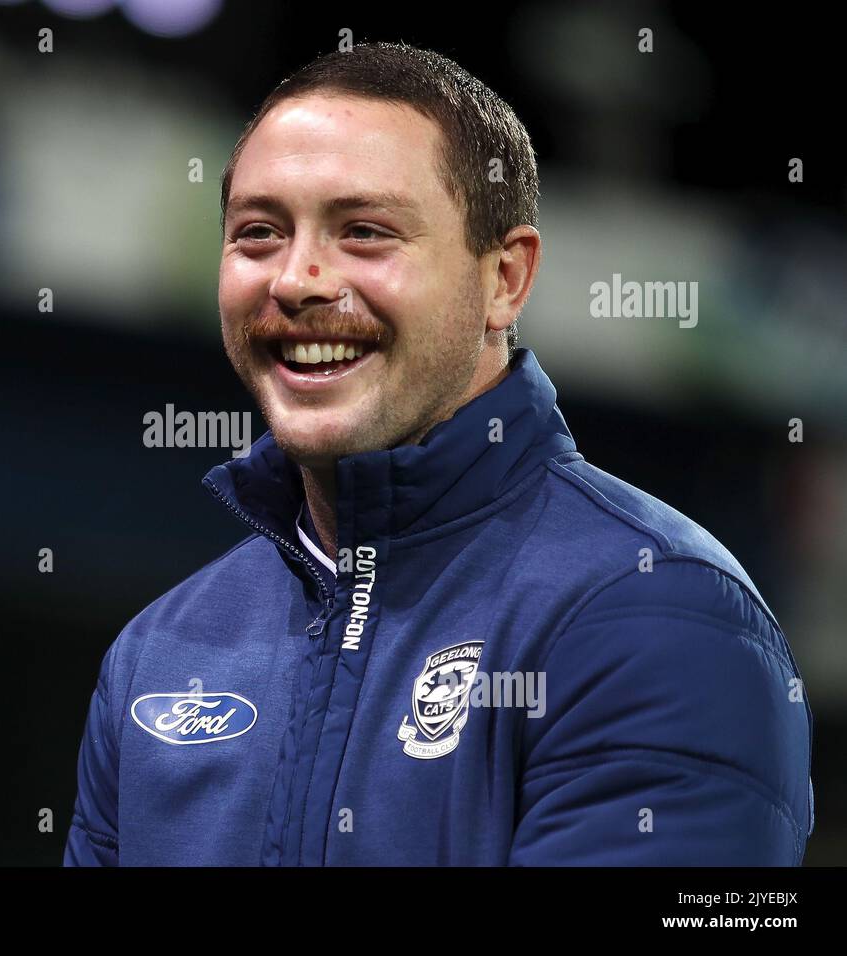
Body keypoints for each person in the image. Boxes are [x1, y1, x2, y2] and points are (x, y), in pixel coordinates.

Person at [64, 41, 813, 866]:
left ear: (505, 280)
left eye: (365, 232)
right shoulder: (158, 653)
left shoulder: (653, 613)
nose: (298, 279)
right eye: (258, 233)